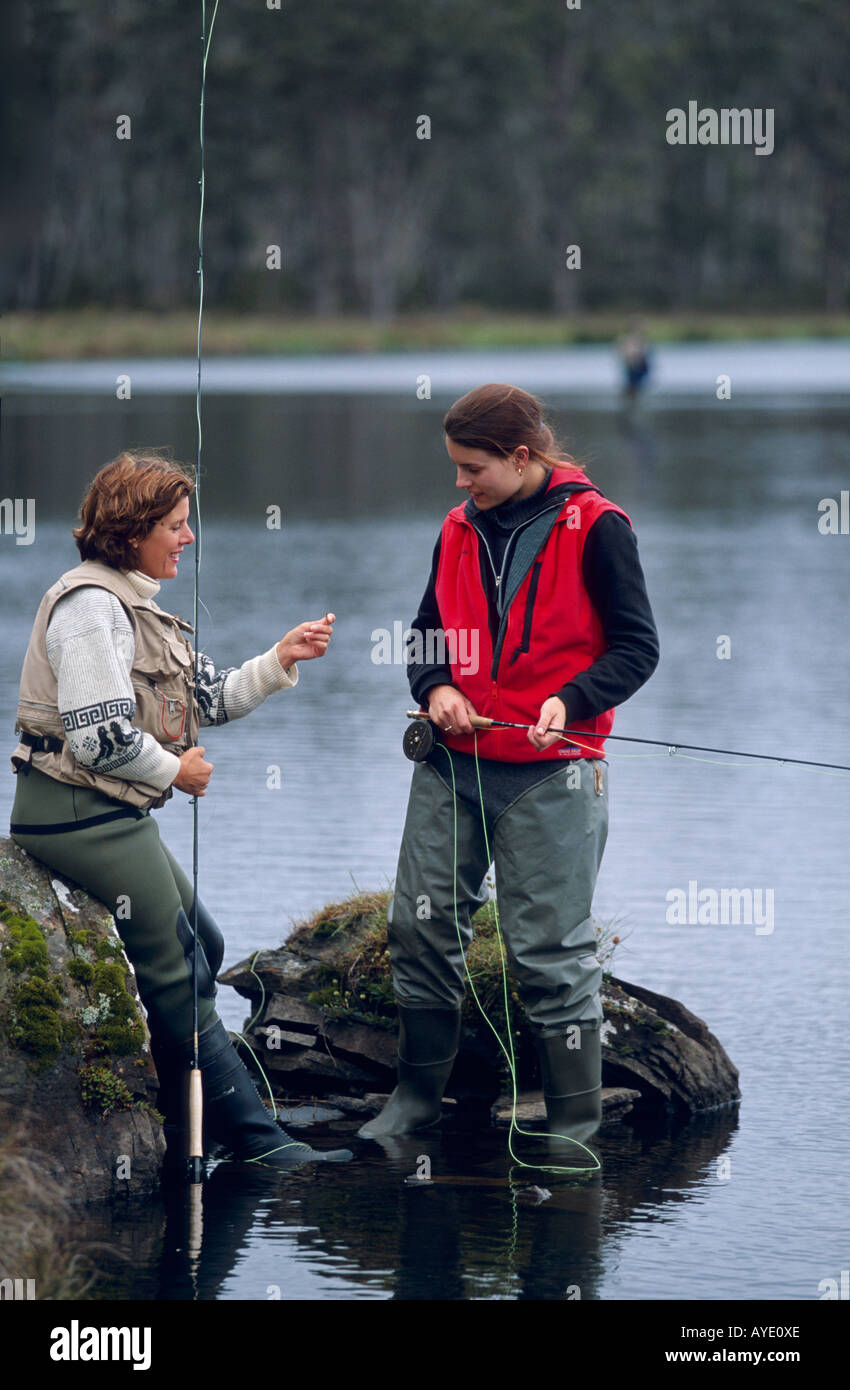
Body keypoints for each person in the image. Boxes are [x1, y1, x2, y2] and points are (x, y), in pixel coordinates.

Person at [10, 450, 351, 1172]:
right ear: (133, 530)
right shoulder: (90, 609)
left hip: (107, 811)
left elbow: (204, 701)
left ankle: (185, 1115)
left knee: (206, 943)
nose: (187, 538)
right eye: (175, 525)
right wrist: (176, 771)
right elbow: (99, 737)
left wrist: (279, 658)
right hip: (72, 811)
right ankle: (257, 1140)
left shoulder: (133, 600)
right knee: (174, 964)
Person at [359, 385, 659, 1147]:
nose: (461, 483)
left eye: (473, 467)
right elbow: (425, 636)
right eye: (456, 467)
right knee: (418, 928)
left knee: (550, 954)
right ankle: (417, 1099)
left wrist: (572, 698)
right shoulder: (457, 529)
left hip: (552, 773)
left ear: (521, 457)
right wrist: (438, 687)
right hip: (451, 766)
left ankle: (573, 1124)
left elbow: (637, 647)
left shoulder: (598, 527)